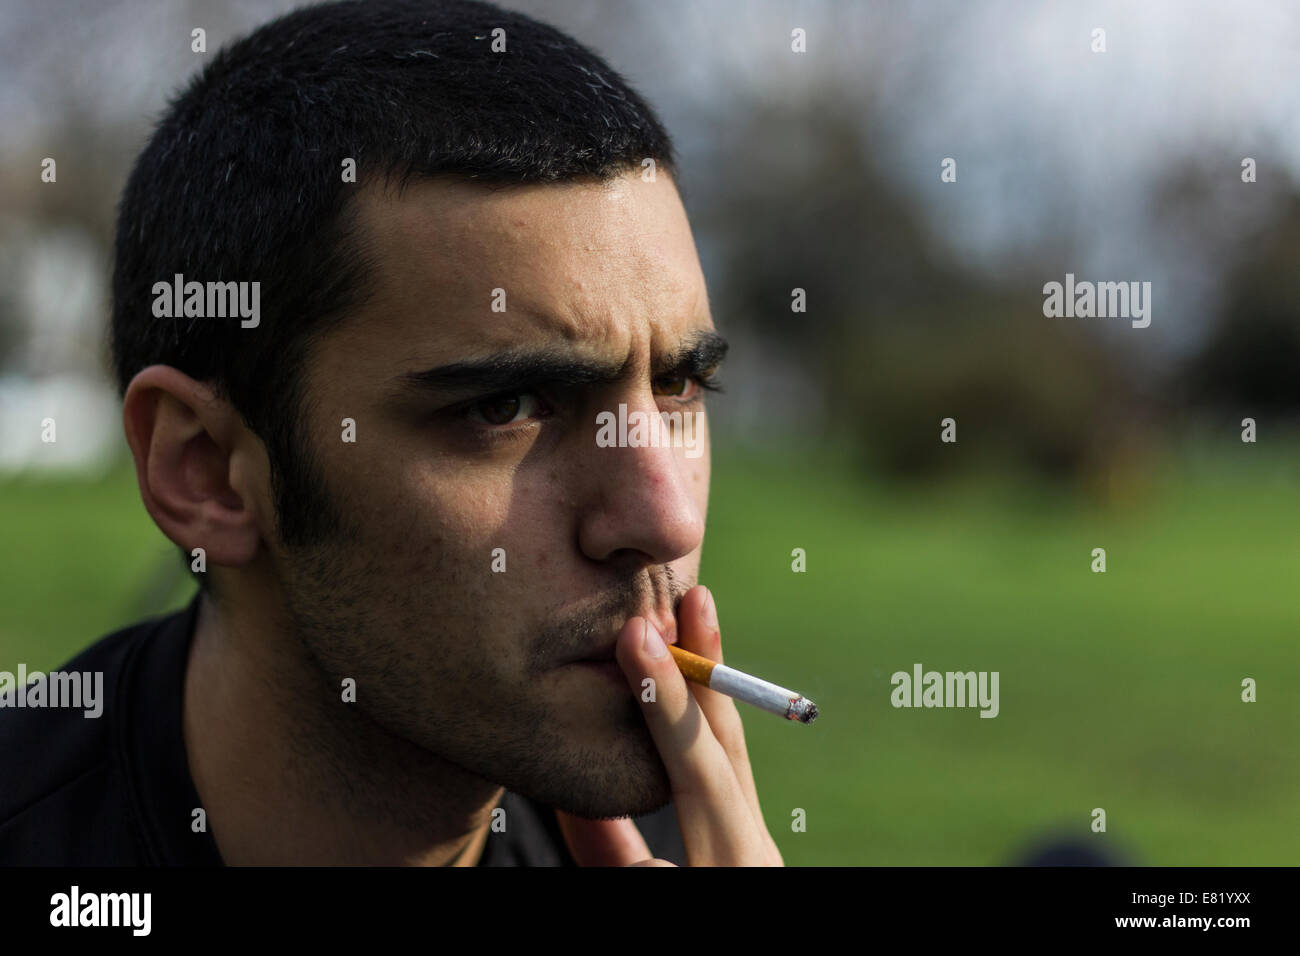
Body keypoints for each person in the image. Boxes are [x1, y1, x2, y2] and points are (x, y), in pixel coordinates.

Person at [0, 0, 782, 867]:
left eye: (676, 386)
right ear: (207, 470)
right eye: (508, 406)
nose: (665, 522)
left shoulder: (669, 846)